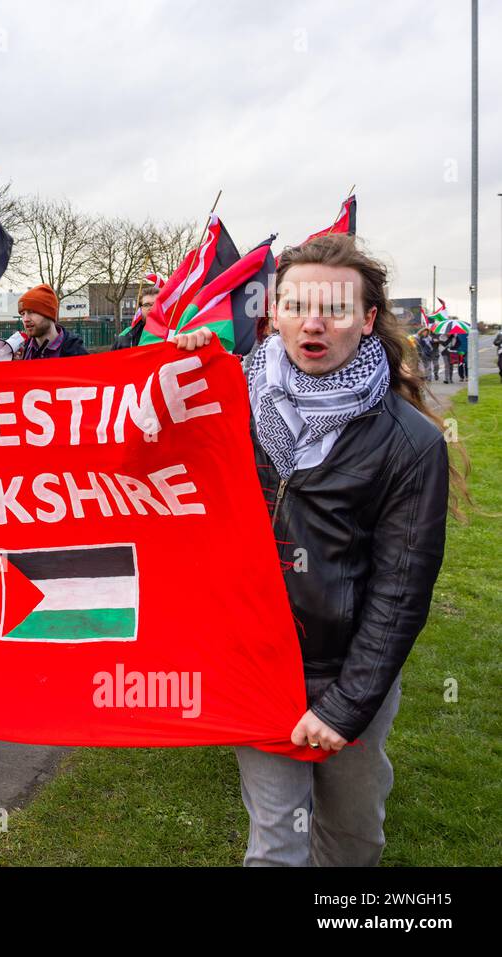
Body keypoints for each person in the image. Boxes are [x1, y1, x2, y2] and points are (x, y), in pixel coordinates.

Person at [175, 234, 450, 866]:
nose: (314, 322)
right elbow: (141, 458)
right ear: (275, 313)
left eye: (335, 307)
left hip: (350, 668)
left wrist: (347, 704)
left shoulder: (409, 444)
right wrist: (183, 369)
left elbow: (400, 592)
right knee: (275, 842)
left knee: (352, 838)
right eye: (297, 305)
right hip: (259, 662)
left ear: (368, 320)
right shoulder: (227, 402)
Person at [14, 283, 88, 358]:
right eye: (22, 314)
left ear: (49, 314)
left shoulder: (76, 353)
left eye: (31, 312)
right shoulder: (24, 351)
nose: (25, 319)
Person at [111, 285, 159, 351]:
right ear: (141, 308)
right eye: (146, 305)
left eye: (156, 304)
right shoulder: (125, 336)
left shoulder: (174, 333)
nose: (151, 308)